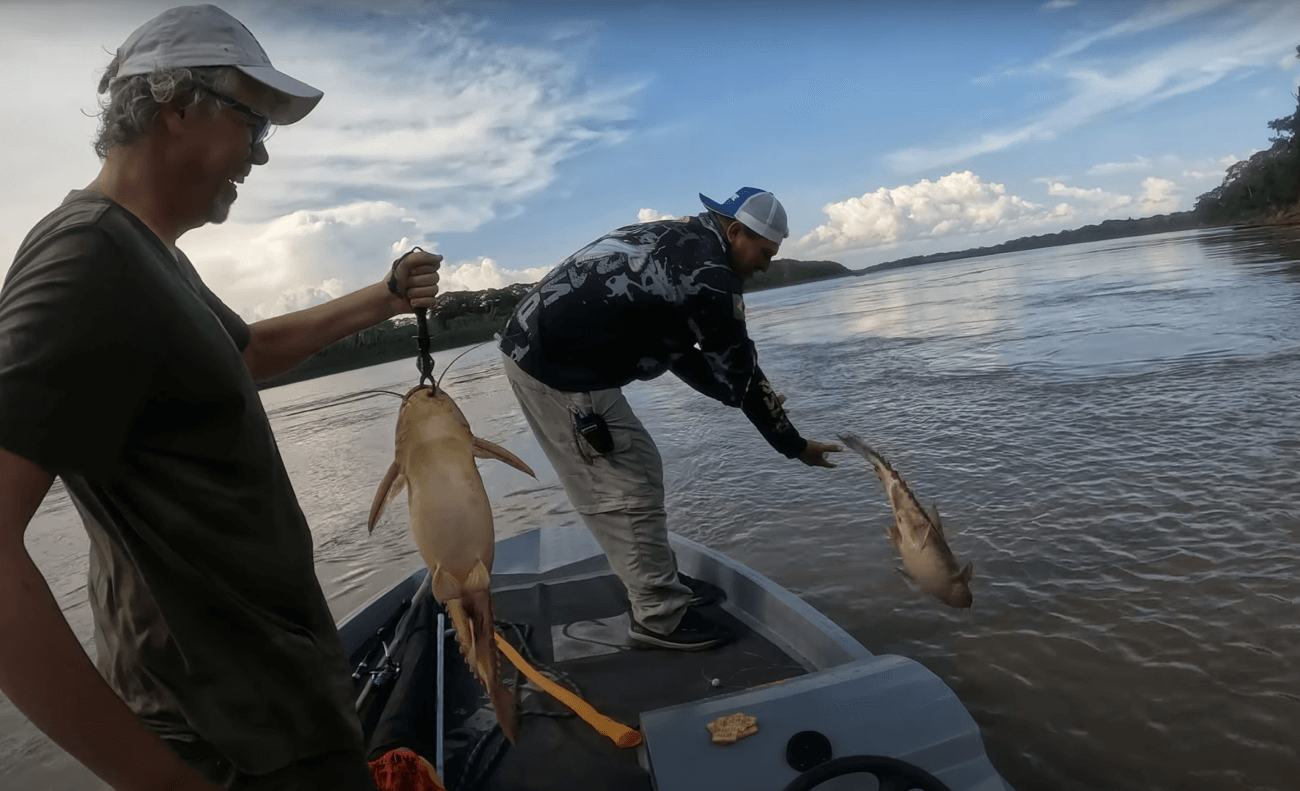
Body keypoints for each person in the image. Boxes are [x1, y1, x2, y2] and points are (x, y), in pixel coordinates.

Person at [0, 6, 441, 790]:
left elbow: (248, 353)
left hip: (278, 707)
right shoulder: (84, 259)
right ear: (178, 107)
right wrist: (162, 782)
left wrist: (385, 297)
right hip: (230, 742)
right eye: (254, 124)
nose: (261, 155)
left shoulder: (145, 253)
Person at [498, 187, 842, 651]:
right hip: (552, 364)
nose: (765, 265)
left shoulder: (683, 238)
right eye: (763, 253)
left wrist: (734, 391)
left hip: (553, 346)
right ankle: (659, 616)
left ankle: (659, 580)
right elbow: (739, 372)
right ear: (735, 230)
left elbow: (680, 351)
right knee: (626, 484)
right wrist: (794, 445)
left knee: (637, 465)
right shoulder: (709, 276)